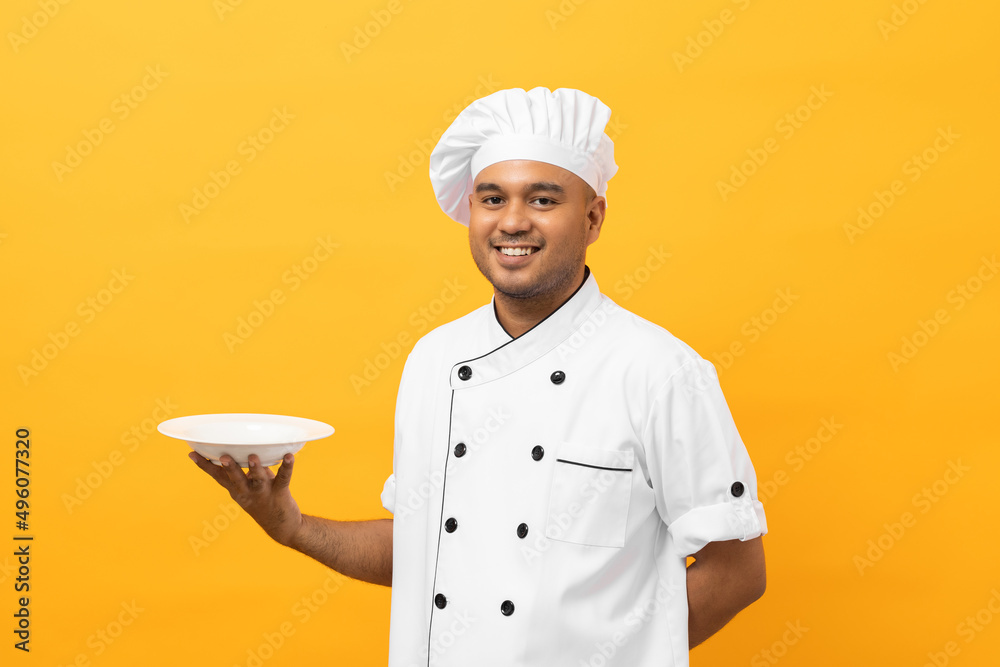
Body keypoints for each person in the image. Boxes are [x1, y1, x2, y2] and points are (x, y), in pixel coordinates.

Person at [190, 86, 768, 667]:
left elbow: (738, 572)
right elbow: (426, 548)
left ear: (592, 218)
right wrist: (291, 526)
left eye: (543, 200)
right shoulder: (433, 361)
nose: (512, 222)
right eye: (492, 198)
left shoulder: (659, 371)